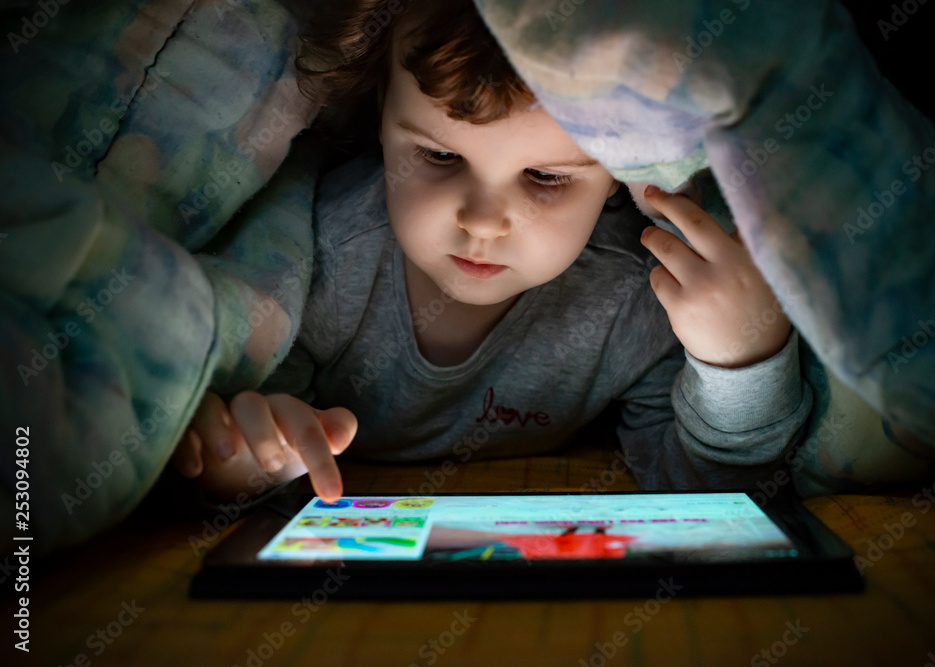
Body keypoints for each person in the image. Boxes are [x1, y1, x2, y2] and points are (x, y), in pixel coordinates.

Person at [171, 0, 813, 501]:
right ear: (379, 115)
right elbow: (250, 458)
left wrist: (742, 360)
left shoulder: (637, 297)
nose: (482, 223)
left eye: (547, 178)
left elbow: (708, 492)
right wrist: (246, 464)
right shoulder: (315, 266)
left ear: (625, 172)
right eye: (440, 156)